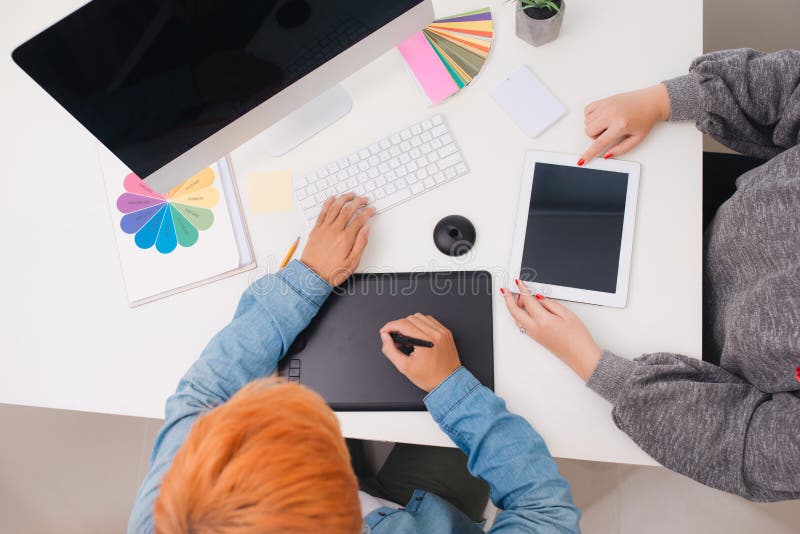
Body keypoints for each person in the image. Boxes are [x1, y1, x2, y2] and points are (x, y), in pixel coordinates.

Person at [128, 193, 581, 533]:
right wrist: (450, 387)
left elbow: (203, 396)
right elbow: (547, 513)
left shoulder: (173, 512)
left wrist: (308, 278)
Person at [501, 48, 800, 502]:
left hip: (694, 354)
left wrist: (593, 364)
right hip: (712, 210)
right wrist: (662, 100)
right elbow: (786, 85)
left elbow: (750, 450)